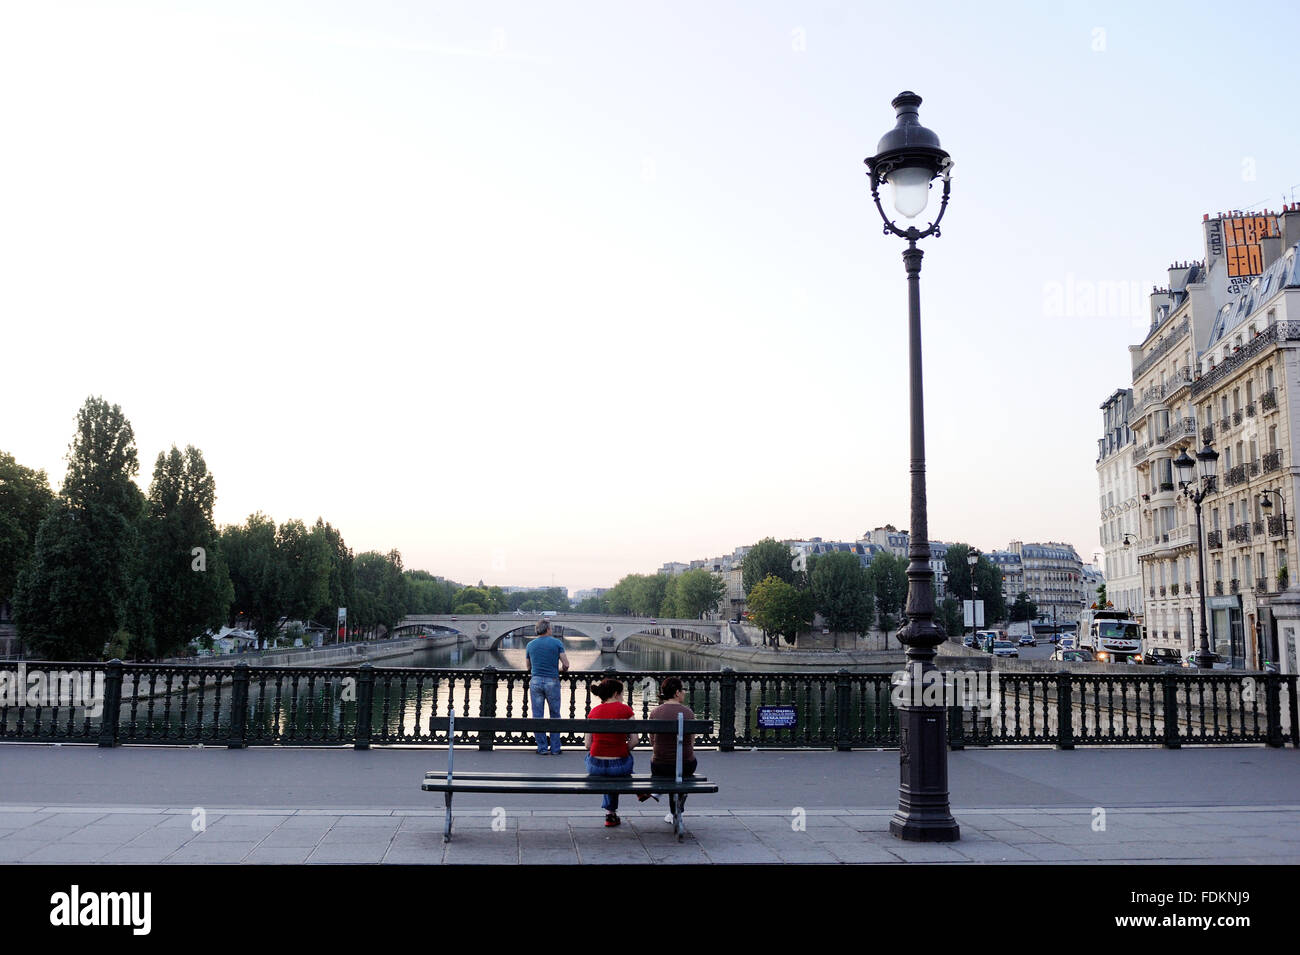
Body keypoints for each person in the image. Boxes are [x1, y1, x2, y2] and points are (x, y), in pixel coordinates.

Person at [584, 678, 636, 827]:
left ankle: (610, 814)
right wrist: (621, 749)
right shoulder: (625, 710)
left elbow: (588, 745)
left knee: (592, 759)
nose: (623, 697)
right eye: (622, 693)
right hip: (619, 767)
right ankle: (611, 813)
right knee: (621, 763)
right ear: (615, 693)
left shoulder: (593, 712)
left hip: (596, 767)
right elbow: (635, 741)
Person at [648, 676, 696, 824]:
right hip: (685, 766)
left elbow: (652, 741)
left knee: (668, 766)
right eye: (683, 690)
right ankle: (676, 811)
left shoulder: (655, 713)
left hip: (660, 766)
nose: (684, 693)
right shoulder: (688, 713)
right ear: (676, 693)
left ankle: (661, 792)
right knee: (681, 770)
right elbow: (691, 743)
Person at [525, 619, 569, 755]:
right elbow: (566, 664)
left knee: (538, 715)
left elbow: (528, 667)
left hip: (536, 681)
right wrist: (560, 671)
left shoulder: (530, 645)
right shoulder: (557, 643)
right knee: (555, 714)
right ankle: (555, 748)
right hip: (552, 681)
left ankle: (542, 748)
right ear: (548, 629)